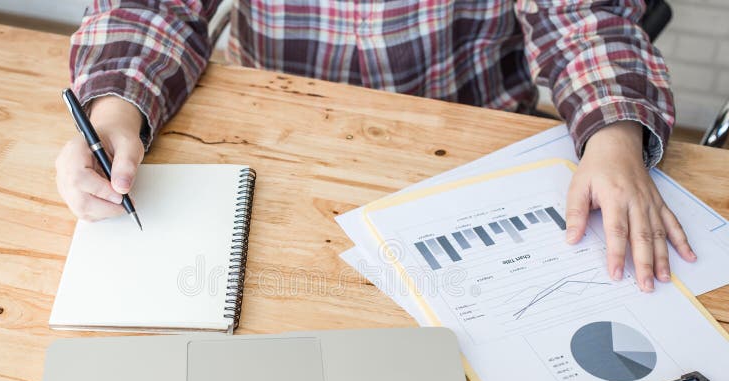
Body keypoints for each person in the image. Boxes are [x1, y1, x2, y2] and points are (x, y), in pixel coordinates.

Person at [55, 0, 696, 292]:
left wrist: (613, 139)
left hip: (461, 153)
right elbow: (151, 9)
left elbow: (581, 19)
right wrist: (114, 113)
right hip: (279, 150)